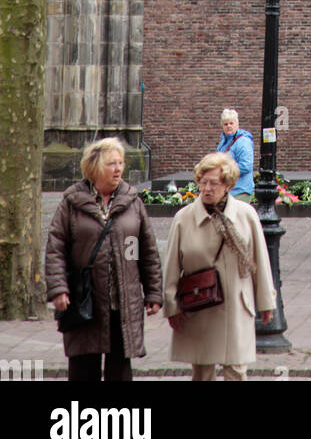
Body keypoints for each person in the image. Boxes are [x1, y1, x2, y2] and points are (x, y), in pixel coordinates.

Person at [45, 137, 162, 381]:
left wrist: (153, 293)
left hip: (123, 303)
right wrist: (58, 289)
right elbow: (56, 247)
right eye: (112, 164)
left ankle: (117, 420)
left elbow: (146, 251)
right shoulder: (71, 202)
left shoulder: (133, 202)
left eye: (120, 163)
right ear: (95, 167)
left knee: (120, 370)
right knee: (83, 368)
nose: (118, 168)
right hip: (85, 300)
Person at [163, 153, 274, 380]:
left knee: (236, 370)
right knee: (202, 372)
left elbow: (260, 261)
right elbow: (171, 267)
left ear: (228, 185)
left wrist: (266, 302)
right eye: (203, 182)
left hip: (236, 303)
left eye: (214, 183)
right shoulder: (184, 219)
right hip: (200, 304)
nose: (207, 188)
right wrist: (171, 306)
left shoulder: (246, 216)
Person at [216, 108, 255, 201]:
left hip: (240, 190)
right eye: (225, 124)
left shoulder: (243, 141)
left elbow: (246, 166)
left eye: (231, 123)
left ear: (237, 124)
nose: (228, 126)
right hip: (226, 190)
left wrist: (225, 170)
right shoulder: (223, 142)